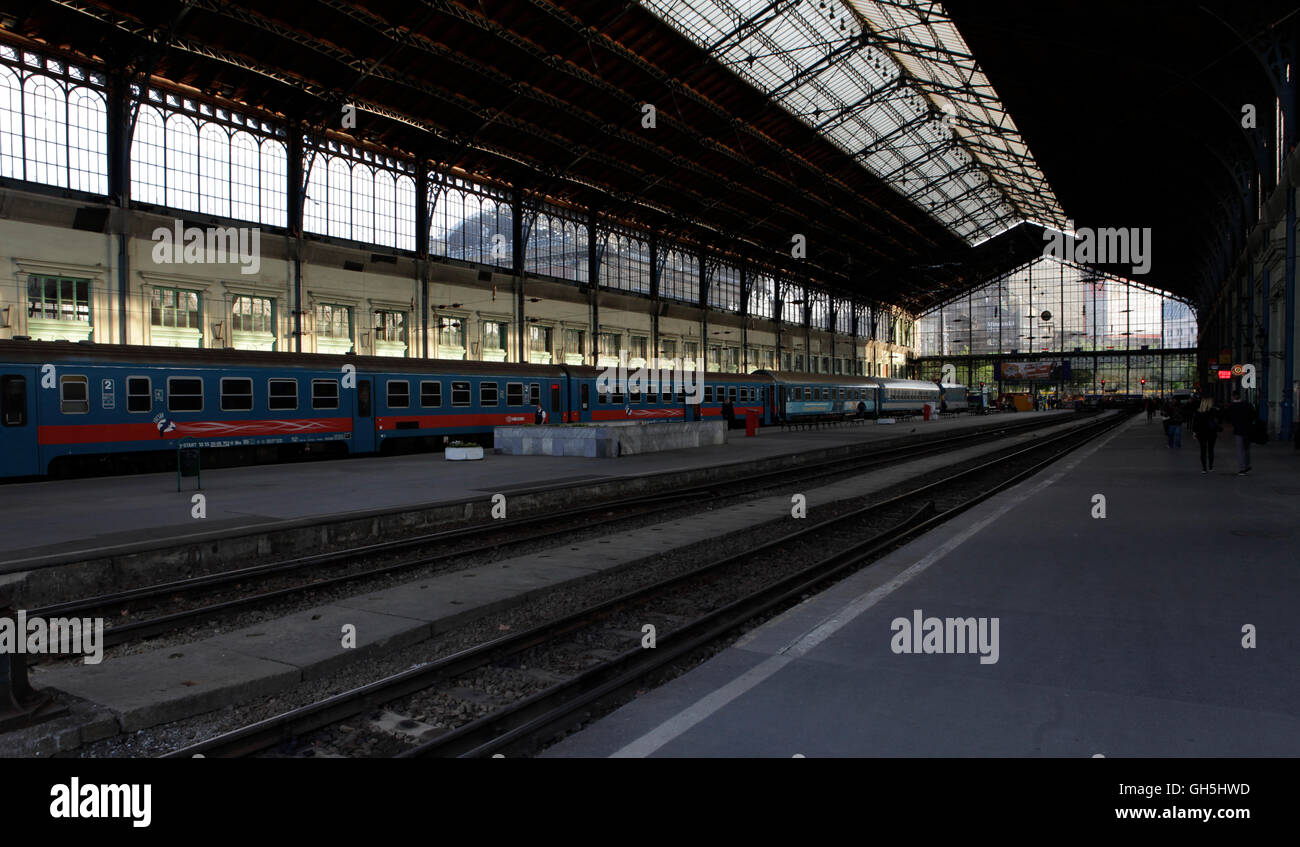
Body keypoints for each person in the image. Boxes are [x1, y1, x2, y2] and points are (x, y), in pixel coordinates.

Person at [1225, 390, 1256, 475]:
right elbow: (1253, 415)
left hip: (1238, 430)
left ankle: (1242, 468)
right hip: (1248, 430)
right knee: (1246, 448)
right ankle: (1247, 464)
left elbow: (1228, 418)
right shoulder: (1247, 405)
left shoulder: (1232, 407)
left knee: (1240, 449)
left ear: (1233, 397)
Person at [1191, 397, 1221, 473]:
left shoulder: (1198, 412)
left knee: (1203, 450)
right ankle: (1211, 467)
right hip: (1212, 433)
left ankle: (1204, 468)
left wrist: (1194, 432)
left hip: (1201, 433)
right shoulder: (1213, 411)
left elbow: (1195, 423)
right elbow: (1218, 420)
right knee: (1211, 450)